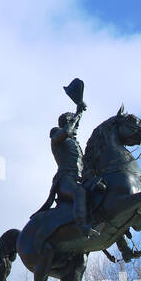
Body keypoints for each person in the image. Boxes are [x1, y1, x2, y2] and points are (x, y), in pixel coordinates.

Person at [35, 81, 96, 238]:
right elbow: (68, 130)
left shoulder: (74, 142)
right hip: (65, 180)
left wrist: (79, 111)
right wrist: (76, 117)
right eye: (72, 123)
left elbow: (73, 129)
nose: (75, 127)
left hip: (79, 178)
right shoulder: (57, 137)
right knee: (80, 193)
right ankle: (82, 226)